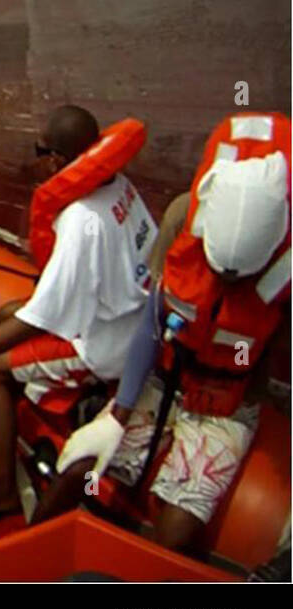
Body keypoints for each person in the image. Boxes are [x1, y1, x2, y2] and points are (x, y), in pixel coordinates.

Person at [44, 112, 290, 550]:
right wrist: (118, 414)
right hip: (163, 377)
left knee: (178, 530)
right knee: (77, 468)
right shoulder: (182, 218)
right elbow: (151, 325)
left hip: (227, 403)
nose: (228, 282)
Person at [0, 105, 158, 517]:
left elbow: (39, 319)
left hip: (107, 348)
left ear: (55, 159)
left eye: (40, 149)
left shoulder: (80, 220)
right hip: (129, 317)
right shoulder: (119, 185)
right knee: (7, 313)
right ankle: (9, 424)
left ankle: (3, 489)